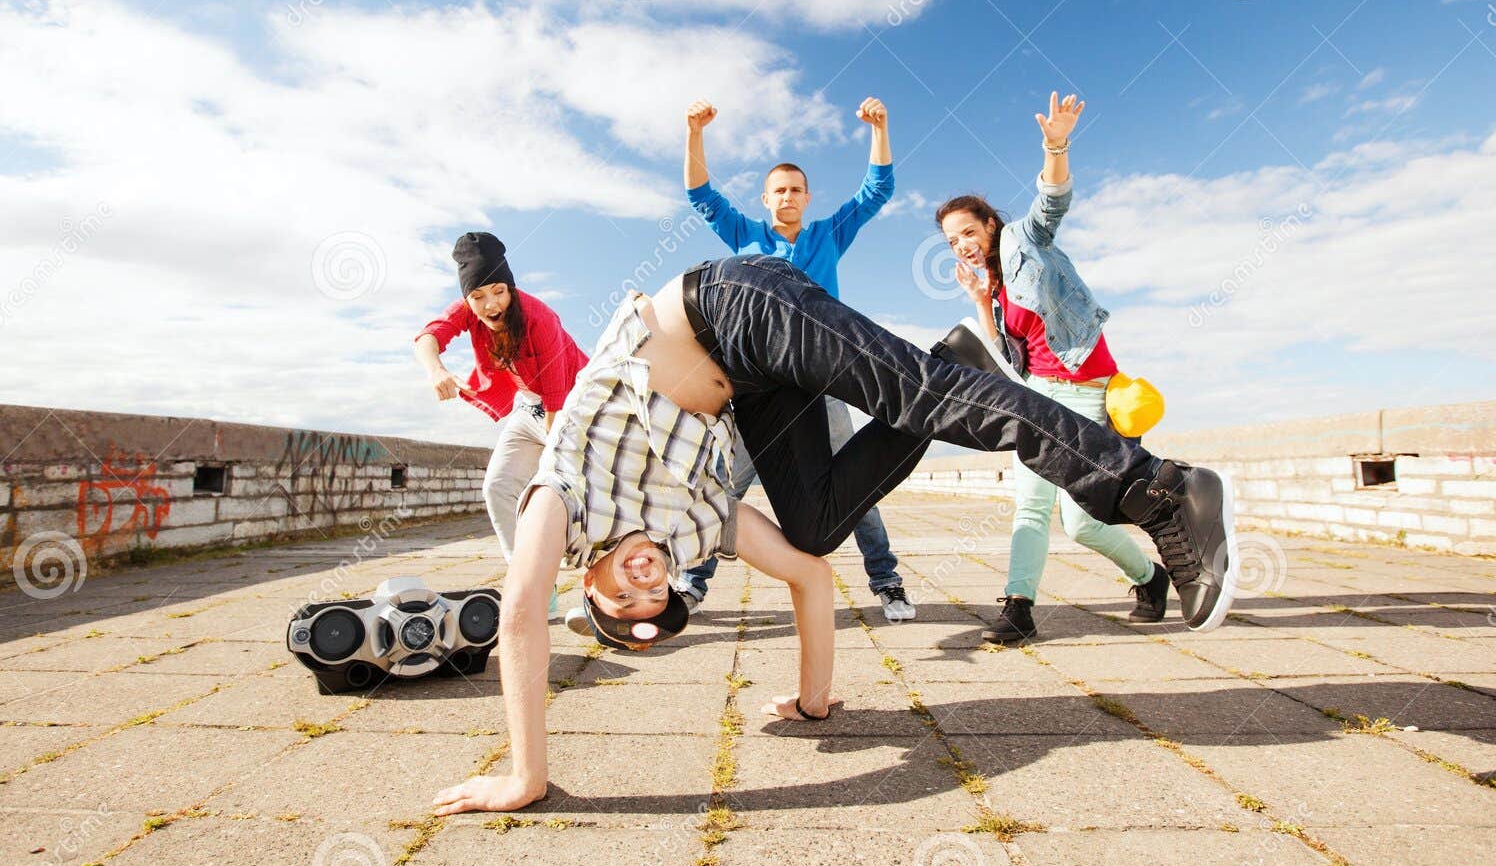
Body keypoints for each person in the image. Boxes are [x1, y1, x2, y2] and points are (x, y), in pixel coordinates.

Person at [430, 208, 1236, 814]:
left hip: (731, 307)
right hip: (753, 384)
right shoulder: (696, 528)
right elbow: (811, 580)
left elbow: (520, 614)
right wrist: (814, 701)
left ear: (593, 586)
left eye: (624, 597)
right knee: (814, 525)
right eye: (657, 596)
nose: (645, 584)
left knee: (928, 399)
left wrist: (525, 774)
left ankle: (1157, 488)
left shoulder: (563, 509)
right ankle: (952, 360)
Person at [675, 95, 915, 623]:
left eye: (795, 190)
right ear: (766, 199)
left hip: (821, 378)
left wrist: (880, 125)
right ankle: (691, 583)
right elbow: (700, 195)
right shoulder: (748, 237)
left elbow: (878, 191)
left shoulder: (828, 235)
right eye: (778, 190)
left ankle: (886, 580)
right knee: (725, 483)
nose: (787, 196)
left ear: (807, 197)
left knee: (851, 484)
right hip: (759, 386)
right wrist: (695, 133)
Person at [939, 93, 1167, 642]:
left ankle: (1151, 577)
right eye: (952, 241)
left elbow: (1052, 200)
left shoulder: (1023, 238)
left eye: (968, 231)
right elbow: (1003, 354)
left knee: (1082, 520)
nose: (963, 245)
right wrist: (978, 299)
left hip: (1086, 384)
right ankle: (1018, 607)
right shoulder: (991, 287)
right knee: (1032, 507)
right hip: (1039, 391)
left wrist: (1055, 145)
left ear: (990, 224)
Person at [413, 232, 588, 619]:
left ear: (509, 286)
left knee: (577, 494)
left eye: (498, 291)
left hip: (577, 408)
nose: (490, 304)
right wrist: (436, 370)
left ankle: (608, 583)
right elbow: (427, 337)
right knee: (498, 488)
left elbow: (558, 397)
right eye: (478, 297)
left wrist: (552, 467)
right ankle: (533, 587)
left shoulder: (540, 317)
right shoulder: (467, 310)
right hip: (529, 409)